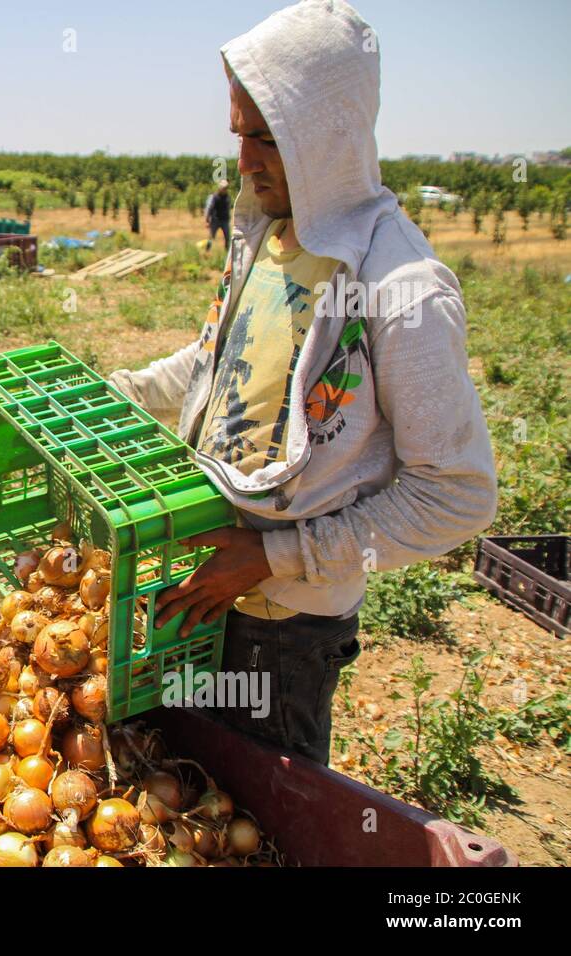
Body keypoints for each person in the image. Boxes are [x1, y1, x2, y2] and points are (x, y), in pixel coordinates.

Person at [108, 0, 496, 765]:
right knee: (181, 793)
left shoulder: (402, 286)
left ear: (327, 132)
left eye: (268, 137)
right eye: (240, 135)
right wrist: (114, 393)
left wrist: (275, 558)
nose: (247, 162)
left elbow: (456, 496)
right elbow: (220, 363)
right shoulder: (272, 238)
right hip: (200, 586)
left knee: (268, 813)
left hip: (281, 633)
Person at [204, 179, 231, 251]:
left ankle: (227, 251)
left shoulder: (227, 197)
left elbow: (228, 208)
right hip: (215, 220)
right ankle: (207, 250)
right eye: (224, 188)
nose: (225, 189)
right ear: (220, 188)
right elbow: (209, 208)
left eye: (226, 188)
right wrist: (207, 220)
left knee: (227, 237)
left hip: (225, 220)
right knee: (211, 237)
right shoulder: (214, 197)